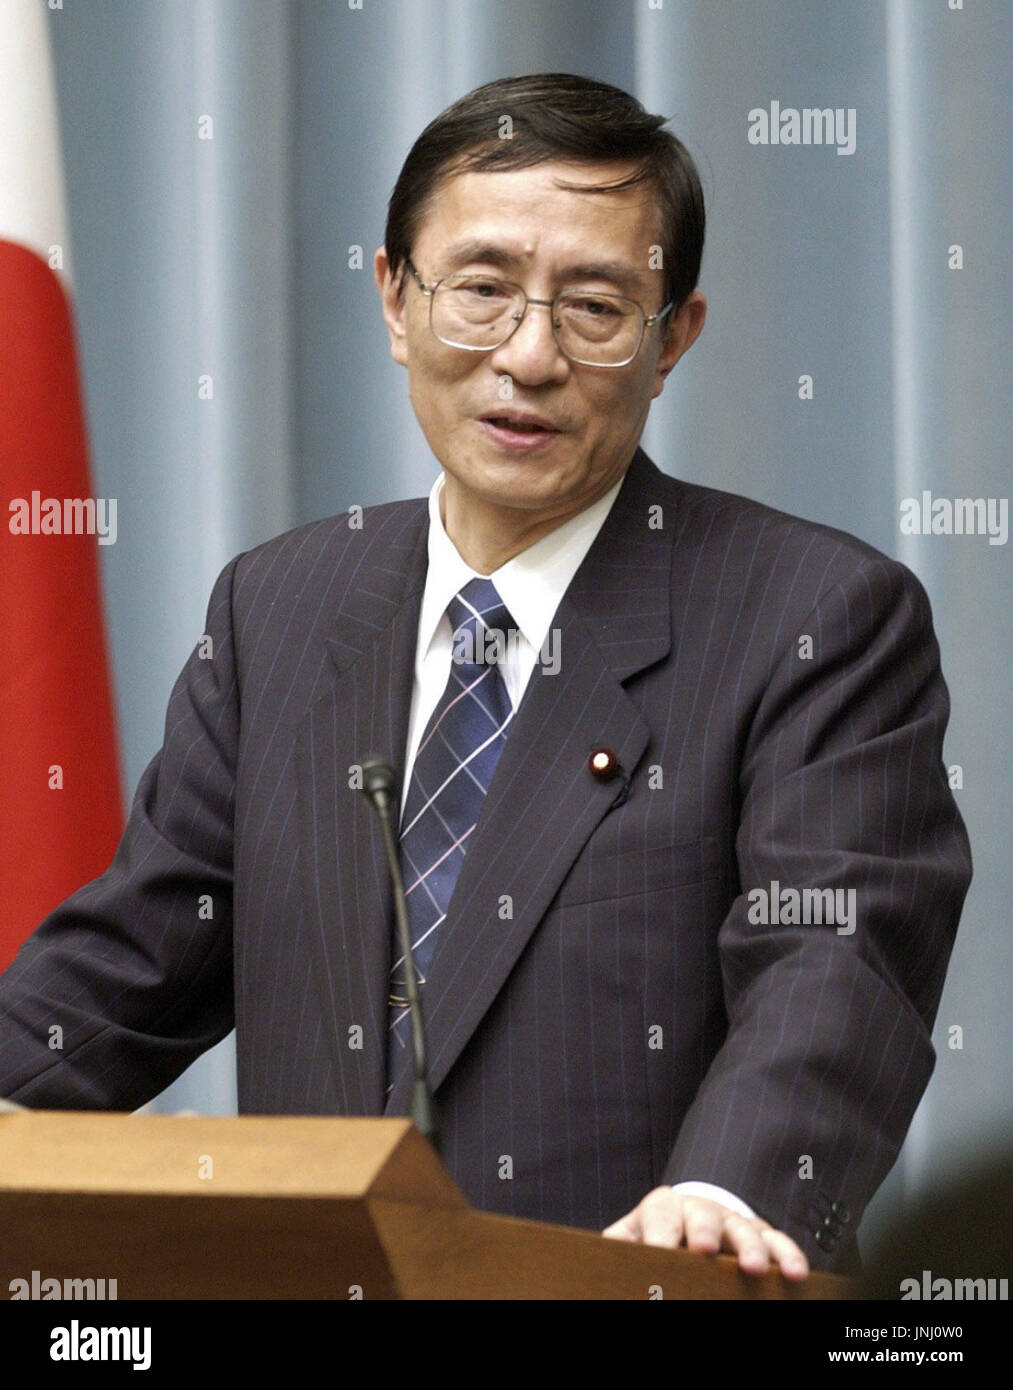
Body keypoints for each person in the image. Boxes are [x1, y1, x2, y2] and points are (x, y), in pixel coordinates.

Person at [0, 73, 970, 1282]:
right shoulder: (282, 609)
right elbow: (135, 963)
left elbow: (835, 957)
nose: (527, 355)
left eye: (595, 306)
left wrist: (724, 1192)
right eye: (480, 290)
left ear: (673, 337)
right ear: (393, 299)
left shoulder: (810, 616)